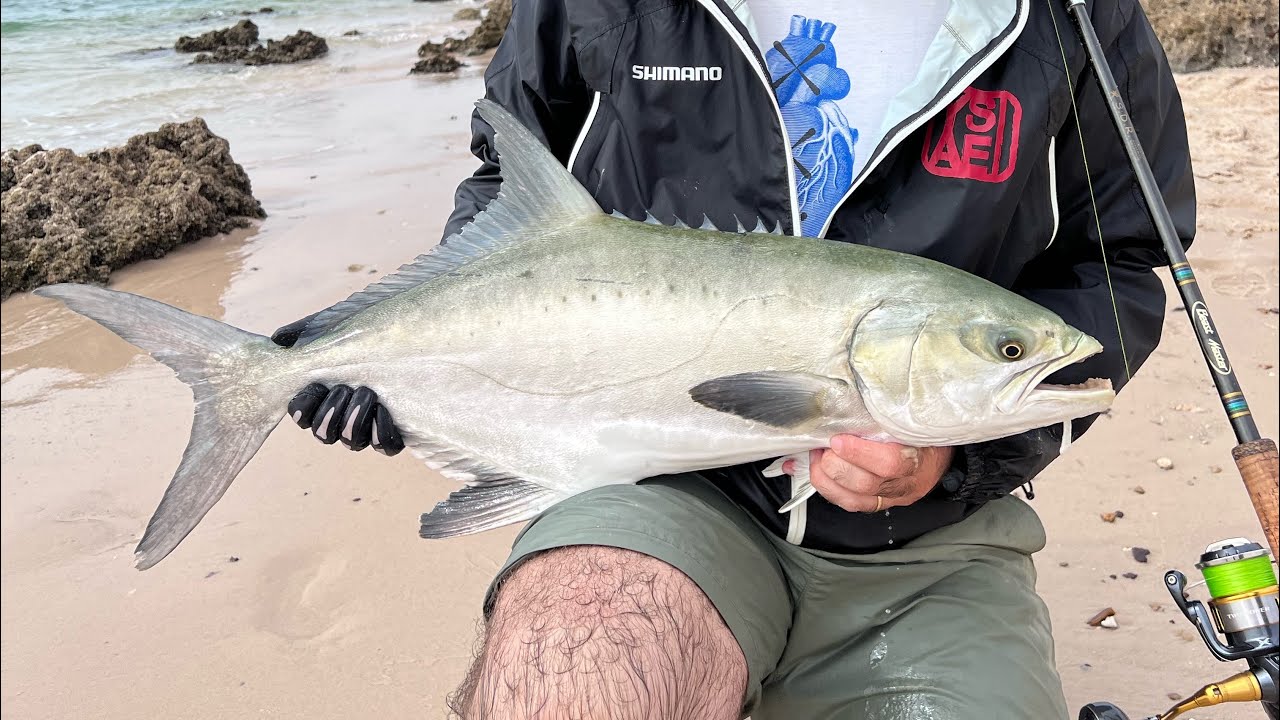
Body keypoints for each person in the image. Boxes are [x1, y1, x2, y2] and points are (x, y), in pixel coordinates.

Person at [272, 0, 1196, 716]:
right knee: (571, 681)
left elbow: (1118, 263)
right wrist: (411, 355)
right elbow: (510, 186)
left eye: (1002, 351)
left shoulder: (1077, 16)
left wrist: (963, 456)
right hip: (650, 492)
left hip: (932, 543)